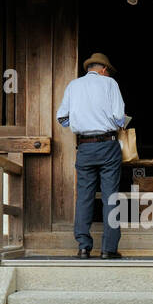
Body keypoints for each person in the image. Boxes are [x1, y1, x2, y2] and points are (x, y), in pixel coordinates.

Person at [57, 52, 127, 259]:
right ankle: (108, 249)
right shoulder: (110, 84)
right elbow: (118, 117)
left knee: (84, 197)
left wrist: (81, 125)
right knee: (110, 197)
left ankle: (83, 247)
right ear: (104, 70)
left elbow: (62, 118)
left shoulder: (73, 85)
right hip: (107, 144)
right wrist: (111, 124)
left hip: (85, 147)